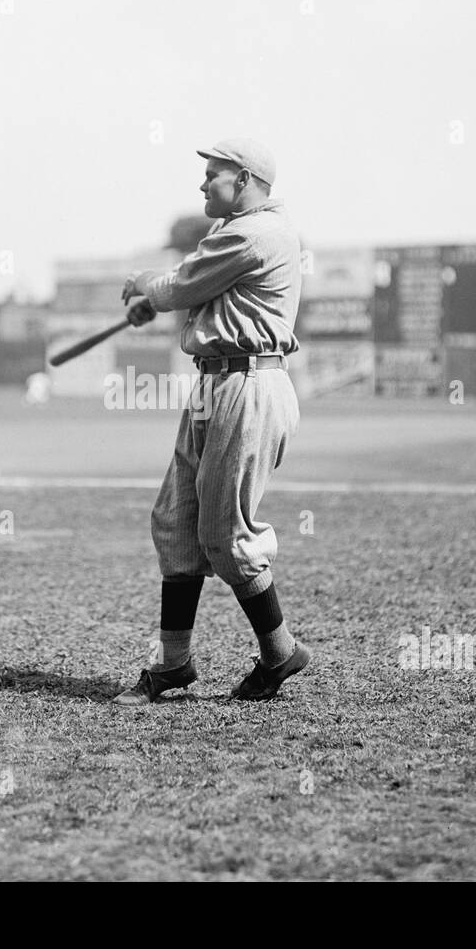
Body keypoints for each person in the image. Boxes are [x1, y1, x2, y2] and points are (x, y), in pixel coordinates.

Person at [113, 138, 308, 705]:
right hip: (217, 383)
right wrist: (168, 300)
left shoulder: (257, 232)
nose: (203, 185)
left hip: (248, 387)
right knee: (176, 521)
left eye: (213, 175)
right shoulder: (241, 233)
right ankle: (173, 664)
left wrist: (149, 286)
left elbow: (182, 284)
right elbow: (205, 293)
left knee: (226, 536)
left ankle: (280, 652)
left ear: (243, 180)